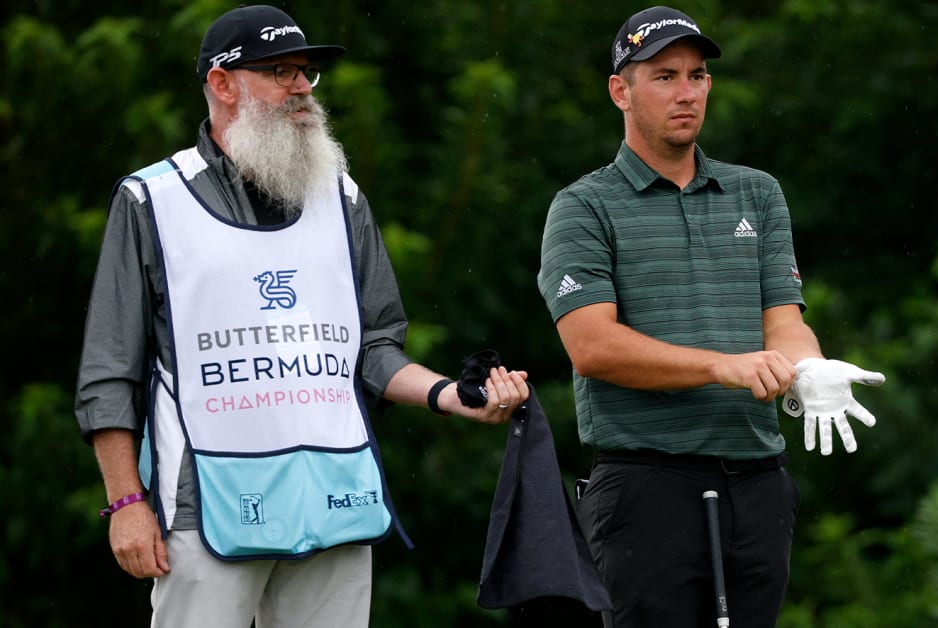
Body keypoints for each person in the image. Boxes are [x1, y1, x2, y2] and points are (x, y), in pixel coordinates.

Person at [74, 5, 529, 627]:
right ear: (222, 83)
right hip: (204, 505)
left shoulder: (341, 196)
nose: (300, 88)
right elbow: (109, 370)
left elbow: (373, 349)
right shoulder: (151, 199)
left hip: (334, 497)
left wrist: (452, 395)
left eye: (306, 72)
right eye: (279, 71)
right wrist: (125, 501)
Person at [536, 6, 885, 627]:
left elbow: (782, 323)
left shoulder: (757, 193)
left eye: (697, 76)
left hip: (757, 483)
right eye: (664, 76)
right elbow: (593, 346)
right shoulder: (583, 206)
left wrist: (808, 364)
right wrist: (722, 367)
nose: (687, 93)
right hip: (645, 483)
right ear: (621, 90)